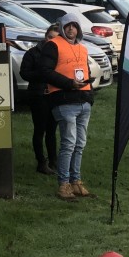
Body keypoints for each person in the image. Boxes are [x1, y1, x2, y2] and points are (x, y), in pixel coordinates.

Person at [40, 12, 96, 200]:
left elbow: (85, 70)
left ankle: (76, 182)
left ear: (79, 28)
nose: (71, 28)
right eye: (68, 25)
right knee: (69, 143)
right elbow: (45, 72)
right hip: (64, 101)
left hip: (83, 100)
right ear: (62, 27)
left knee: (80, 144)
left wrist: (89, 95)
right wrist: (68, 83)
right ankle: (63, 184)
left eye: (75, 25)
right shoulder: (53, 46)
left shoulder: (83, 48)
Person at [18, 23, 60, 176]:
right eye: (49, 37)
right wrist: (43, 74)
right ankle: (41, 162)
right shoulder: (33, 53)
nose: (51, 41)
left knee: (52, 130)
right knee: (40, 129)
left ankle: (53, 161)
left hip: (54, 95)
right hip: (38, 95)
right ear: (45, 36)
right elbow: (24, 73)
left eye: (54, 39)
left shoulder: (59, 52)